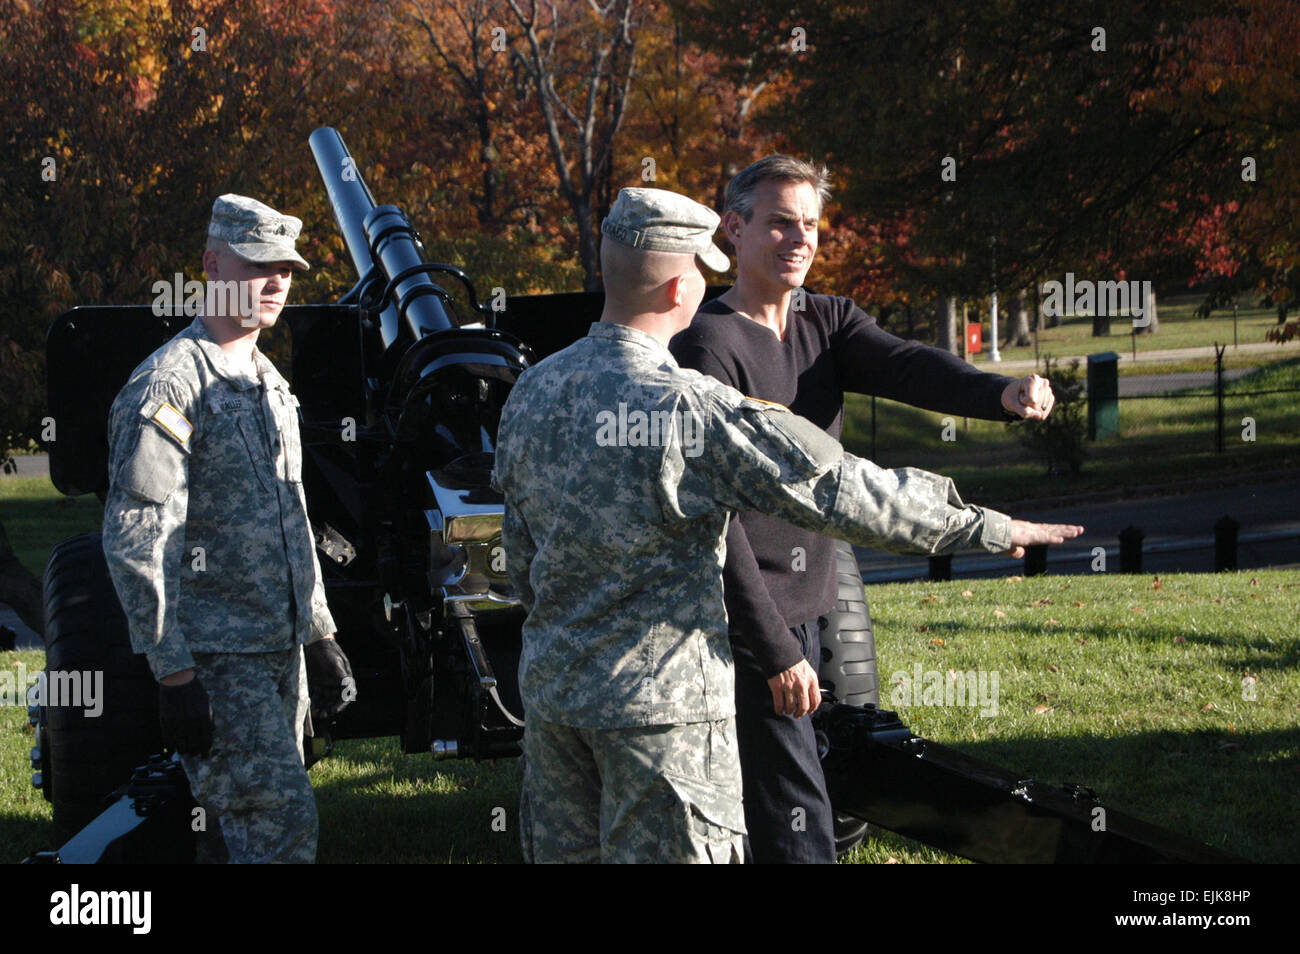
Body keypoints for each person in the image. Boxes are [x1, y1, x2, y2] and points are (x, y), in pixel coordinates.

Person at [491, 186, 1082, 864]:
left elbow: (521, 558)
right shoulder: (691, 408)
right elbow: (839, 492)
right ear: (680, 287)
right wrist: (983, 526)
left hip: (555, 704)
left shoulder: (532, 392)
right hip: (663, 721)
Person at [669, 155, 1059, 863]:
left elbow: (905, 363)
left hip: (816, 596)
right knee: (793, 805)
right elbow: (712, 525)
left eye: (811, 225)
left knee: (820, 771)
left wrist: (996, 394)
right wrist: (776, 650)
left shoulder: (825, 319)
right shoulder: (707, 345)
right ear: (734, 228)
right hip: (750, 613)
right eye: (781, 223)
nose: (800, 239)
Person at [102, 194, 355, 864]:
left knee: (231, 836)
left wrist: (320, 632)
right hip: (215, 659)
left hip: (280, 649)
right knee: (281, 825)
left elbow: (294, 519)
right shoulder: (170, 387)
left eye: (288, 269)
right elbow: (137, 536)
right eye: (258, 264)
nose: (276, 281)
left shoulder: (269, 382)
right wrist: (174, 673)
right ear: (212, 263)